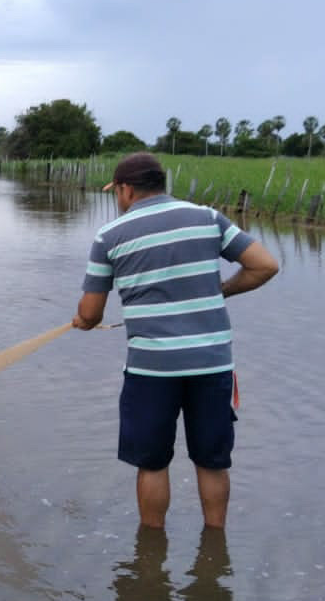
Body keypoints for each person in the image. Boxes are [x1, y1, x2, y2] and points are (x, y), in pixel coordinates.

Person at [72, 152, 278, 530]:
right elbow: (265, 265)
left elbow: (90, 314)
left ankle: (151, 551)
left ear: (126, 190)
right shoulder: (208, 218)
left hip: (151, 369)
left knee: (151, 463)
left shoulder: (110, 236)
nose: (117, 199)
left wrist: (82, 321)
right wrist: (222, 290)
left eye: (116, 192)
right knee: (213, 460)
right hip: (212, 364)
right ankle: (215, 544)